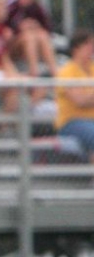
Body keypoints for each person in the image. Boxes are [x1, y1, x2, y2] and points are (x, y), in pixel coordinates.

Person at [5, 0, 57, 76]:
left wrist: (36, 26)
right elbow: (4, 31)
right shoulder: (9, 7)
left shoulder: (37, 8)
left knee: (41, 34)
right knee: (29, 36)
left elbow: (48, 31)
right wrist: (20, 28)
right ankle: (34, 73)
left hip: (33, 45)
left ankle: (55, 72)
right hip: (12, 48)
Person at [55, 29, 94, 162]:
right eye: (88, 44)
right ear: (76, 48)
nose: (92, 48)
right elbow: (80, 100)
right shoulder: (66, 71)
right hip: (72, 122)